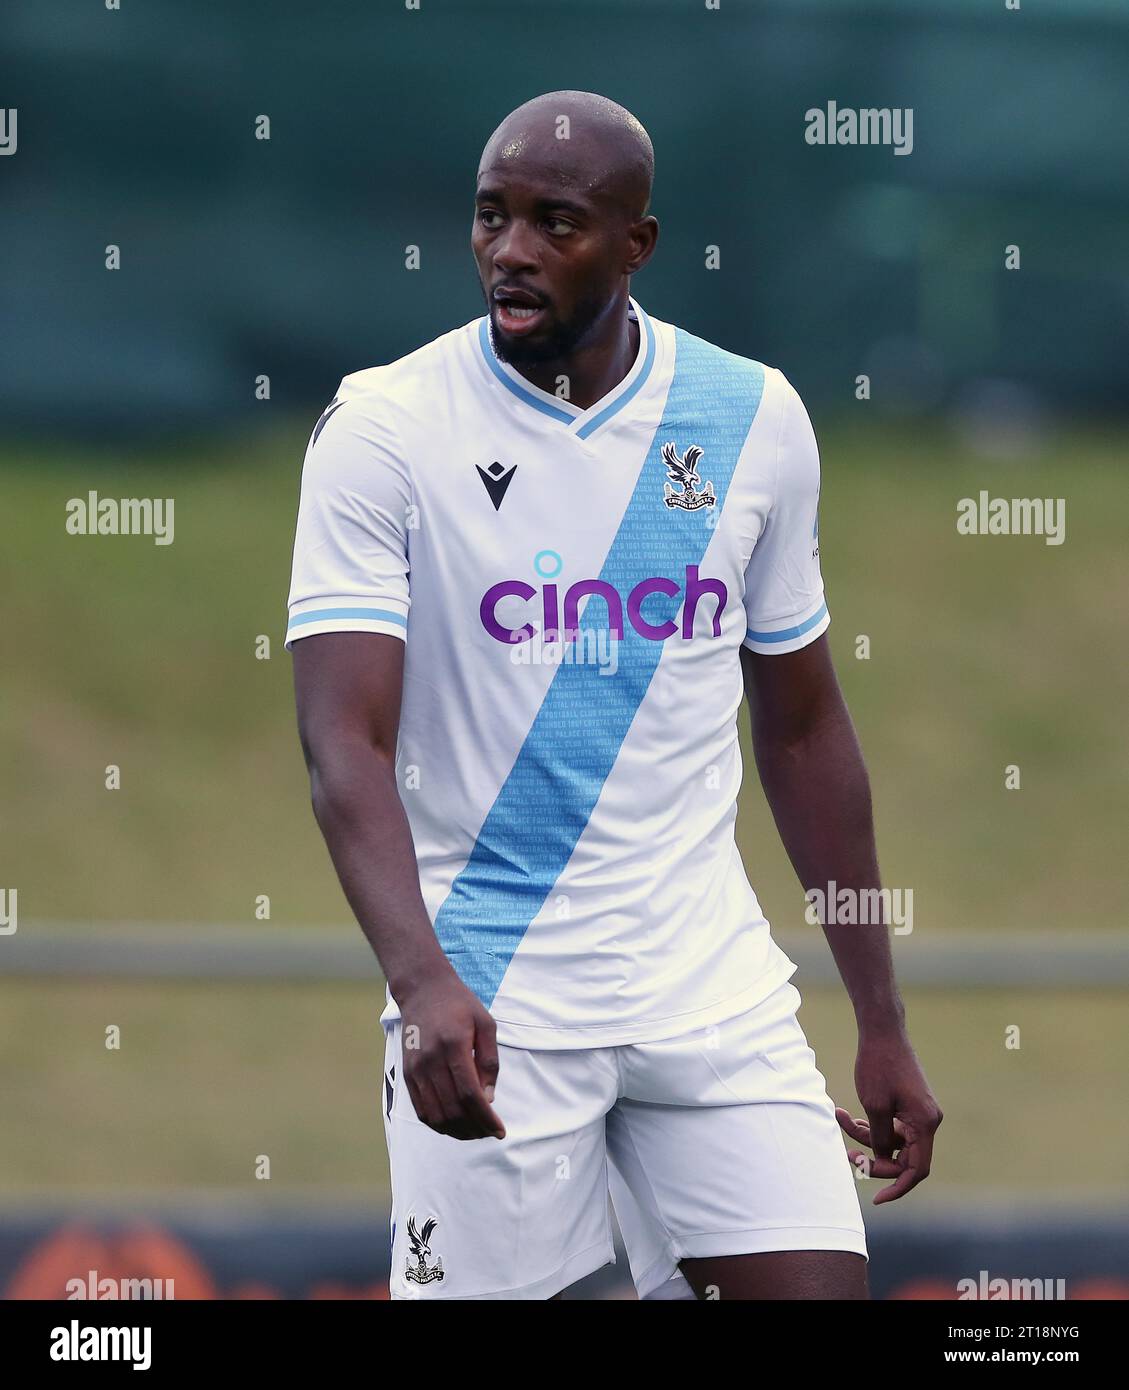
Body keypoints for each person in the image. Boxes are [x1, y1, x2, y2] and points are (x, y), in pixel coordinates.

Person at [286, 89, 941, 1301]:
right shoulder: (384, 430)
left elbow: (803, 730)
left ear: (635, 246)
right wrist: (419, 979)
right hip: (491, 1011)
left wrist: (879, 1015)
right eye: (491, 218)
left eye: (556, 222)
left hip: (711, 992)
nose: (511, 251)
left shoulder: (750, 418)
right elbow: (342, 739)